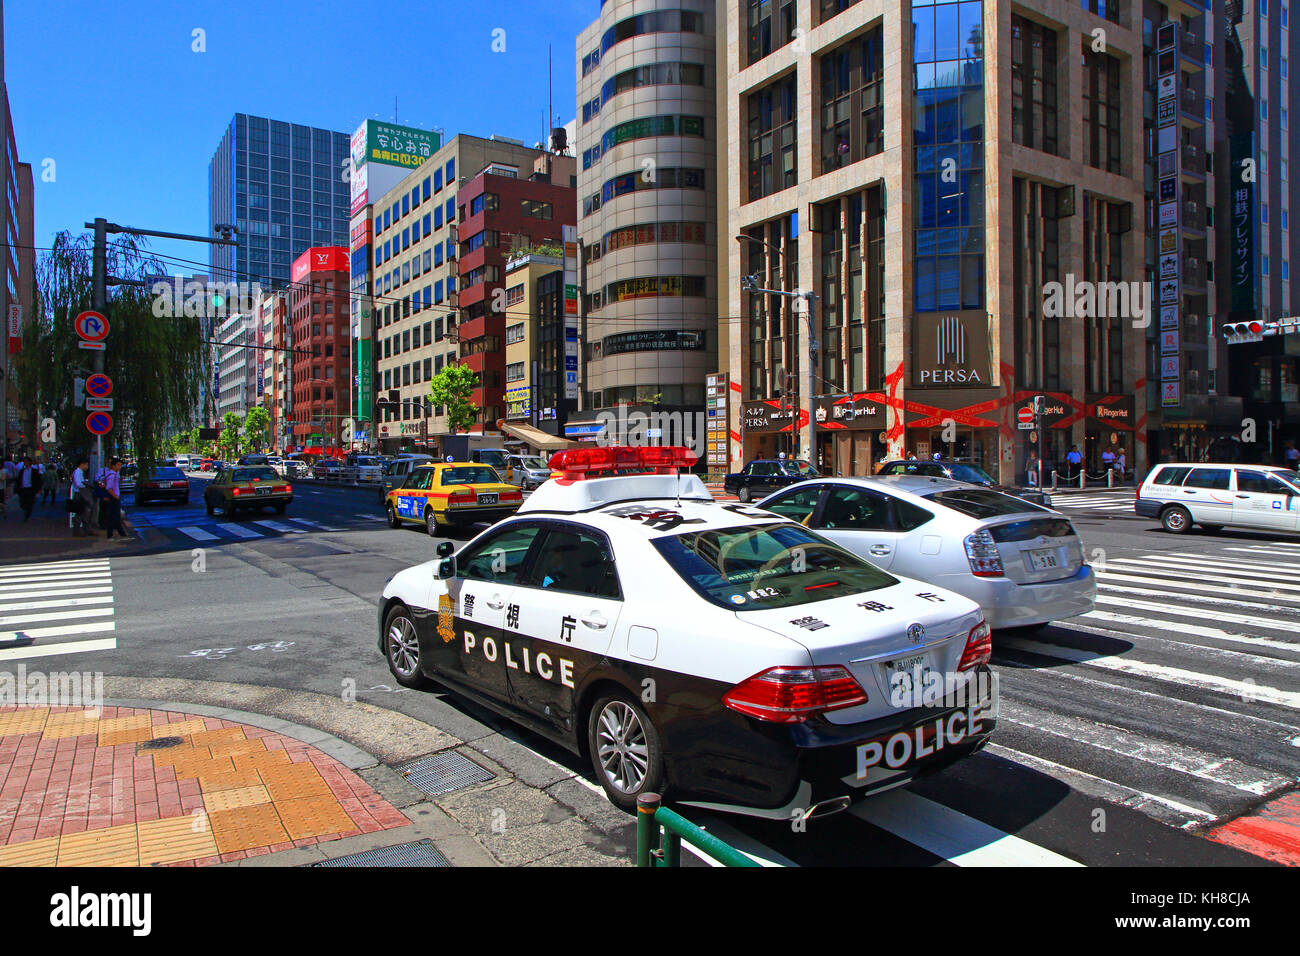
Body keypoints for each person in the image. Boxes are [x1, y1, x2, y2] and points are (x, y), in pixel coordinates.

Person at [97, 457, 128, 542]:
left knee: (115, 517)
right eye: (118, 465)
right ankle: (111, 535)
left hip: (114, 497)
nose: (120, 467)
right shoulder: (112, 475)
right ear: (113, 466)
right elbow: (109, 488)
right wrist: (115, 496)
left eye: (121, 465)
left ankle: (121, 534)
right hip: (113, 497)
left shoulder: (114, 474)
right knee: (114, 517)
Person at [70, 455, 95, 536]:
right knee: (80, 513)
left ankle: (86, 530)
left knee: (85, 513)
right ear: (82, 464)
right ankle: (77, 531)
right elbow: (78, 484)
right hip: (79, 495)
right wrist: (86, 485)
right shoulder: (77, 472)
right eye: (87, 465)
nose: (87, 467)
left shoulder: (80, 472)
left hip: (81, 494)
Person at [15, 457, 38, 522]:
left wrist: (37, 489)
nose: (25, 463)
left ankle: (27, 513)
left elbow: (37, 480)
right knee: (22, 502)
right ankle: (26, 509)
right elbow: (18, 480)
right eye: (24, 462)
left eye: (26, 461)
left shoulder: (34, 471)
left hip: (30, 489)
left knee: (30, 502)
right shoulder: (22, 471)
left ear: (30, 462)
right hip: (23, 488)